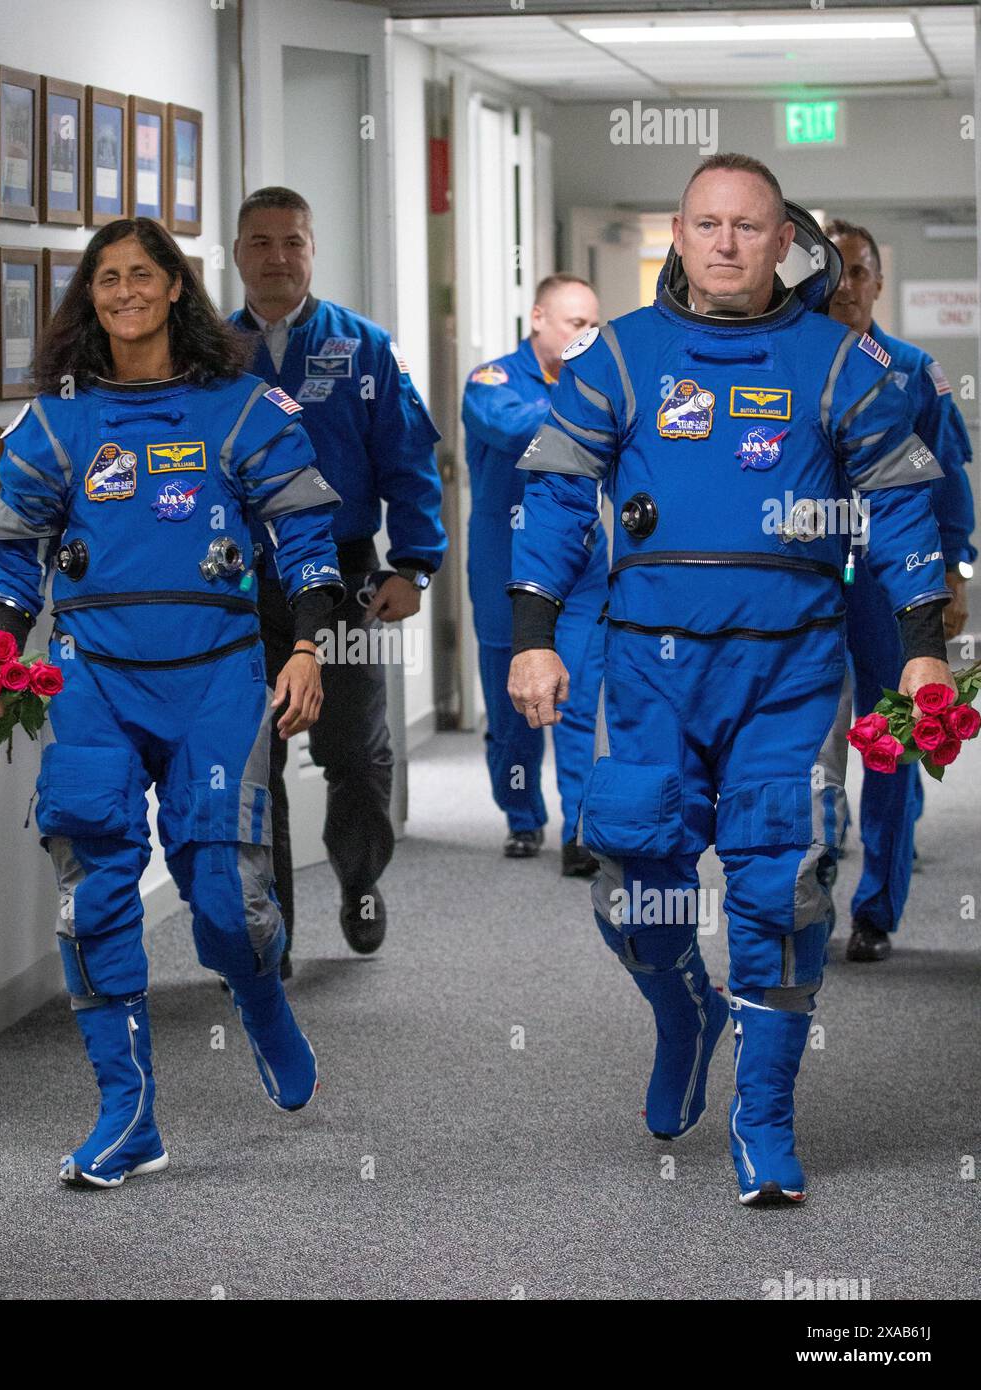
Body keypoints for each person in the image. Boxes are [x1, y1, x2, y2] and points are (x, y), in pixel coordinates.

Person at [507, 154, 953, 1206]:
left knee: (782, 886)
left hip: (789, 673)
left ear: (782, 238)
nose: (723, 244)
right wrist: (534, 633)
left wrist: (926, 639)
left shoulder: (838, 363)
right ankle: (683, 1012)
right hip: (651, 671)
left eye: (746, 227)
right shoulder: (621, 357)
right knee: (634, 886)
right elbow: (558, 498)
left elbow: (900, 508)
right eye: (706, 224)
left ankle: (764, 1118)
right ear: (678, 230)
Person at [0, 218, 344, 1188]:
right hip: (94, 669)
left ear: (176, 286)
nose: (126, 291)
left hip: (217, 672)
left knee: (223, 896)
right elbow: (15, 558)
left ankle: (258, 994)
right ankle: (126, 1112)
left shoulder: (240, 409)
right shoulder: (56, 422)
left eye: (143, 274)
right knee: (93, 881)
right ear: (89, 297)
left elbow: (306, 538)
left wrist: (305, 646)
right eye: (108, 279)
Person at [229, 187, 446, 974]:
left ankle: (359, 877)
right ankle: (269, 927)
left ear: (313, 251)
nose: (277, 257)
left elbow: (409, 461)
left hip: (348, 574)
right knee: (254, 756)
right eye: (260, 243)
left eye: (292, 241)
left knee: (353, 749)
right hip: (242, 583)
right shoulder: (211, 354)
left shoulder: (364, 348)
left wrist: (415, 564)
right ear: (237, 255)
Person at [825, 218, 976, 963]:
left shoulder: (913, 371)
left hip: (893, 586)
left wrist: (956, 576)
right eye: (835, 272)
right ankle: (806, 882)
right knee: (810, 747)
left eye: (859, 272)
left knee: (891, 751)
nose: (846, 286)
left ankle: (876, 911)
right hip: (813, 586)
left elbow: (947, 485)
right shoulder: (788, 363)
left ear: (878, 282)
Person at [461, 275, 608, 871]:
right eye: (576, 324)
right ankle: (522, 816)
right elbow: (517, 427)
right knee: (513, 708)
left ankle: (580, 827)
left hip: (582, 568)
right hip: (507, 567)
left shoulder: (597, 381)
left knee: (577, 698)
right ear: (539, 318)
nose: (587, 337)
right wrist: (586, 409)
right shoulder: (491, 382)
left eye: (595, 326)